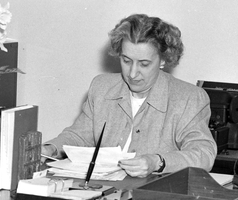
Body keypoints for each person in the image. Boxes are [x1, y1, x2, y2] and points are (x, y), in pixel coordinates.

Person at [42, 13, 217, 178]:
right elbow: (80, 136)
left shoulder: (188, 98)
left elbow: (204, 154)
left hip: (154, 196)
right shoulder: (102, 87)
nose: (132, 73)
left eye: (144, 64)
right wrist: (51, 148)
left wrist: (157, 162)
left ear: (163, 60)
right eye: (126, 61)